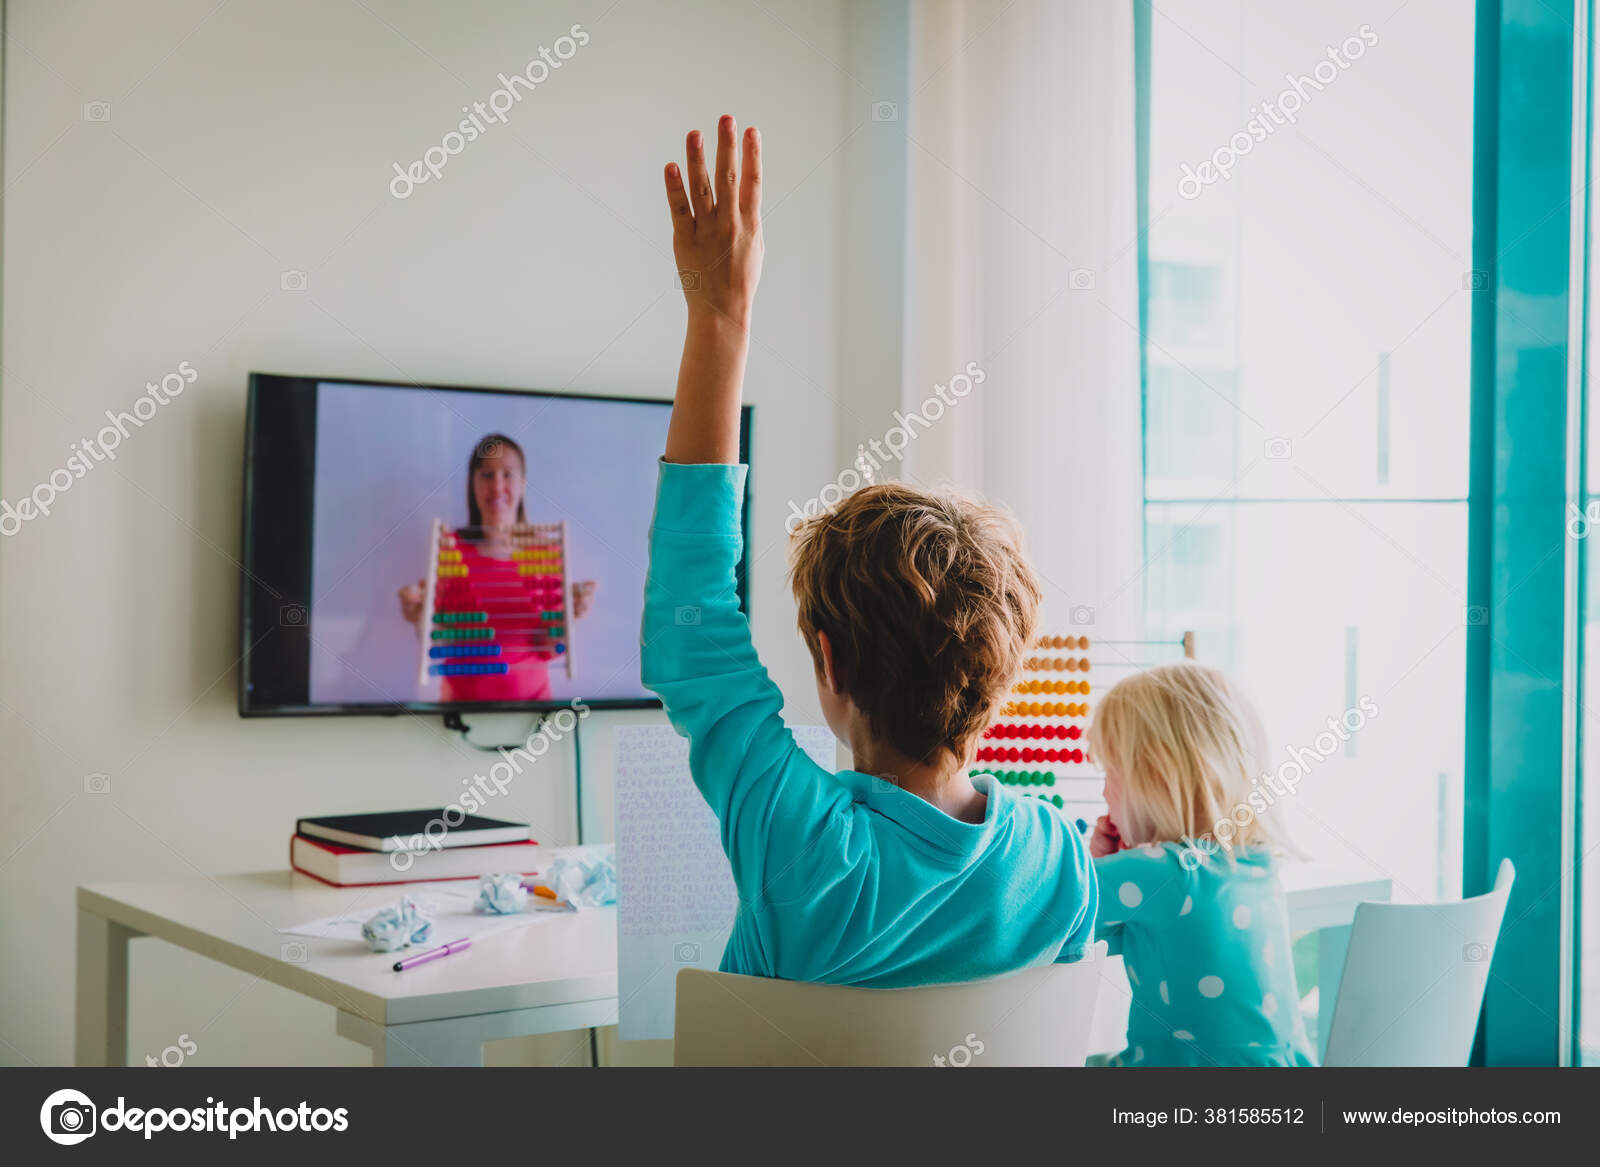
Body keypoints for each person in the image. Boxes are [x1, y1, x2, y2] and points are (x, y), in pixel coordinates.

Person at [639, 115, 1097, 986]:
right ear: (1000, 671)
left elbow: (689, 629)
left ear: (829, 660)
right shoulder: (1056, 860)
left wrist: (722, 314)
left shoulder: (801, 846)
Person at [1087, 661, 1314, 1066]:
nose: (1104, 789)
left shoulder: (1166, 871)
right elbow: (1121, 932)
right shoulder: (1257, 863)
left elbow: (1055, 914)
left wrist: (1094, 864)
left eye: (1110, 770)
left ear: (1154, 776)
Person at [399, 433, 595, 702]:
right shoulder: (449, 550)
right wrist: (420, 616)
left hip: (532, 714)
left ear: (523, 484)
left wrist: (569, 617)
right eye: (486, 475)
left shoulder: (545, 554)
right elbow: (437, 638)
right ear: (472, 485)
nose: (497, 486)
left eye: (508, 474)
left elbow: (548, 649)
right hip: (461, 713)